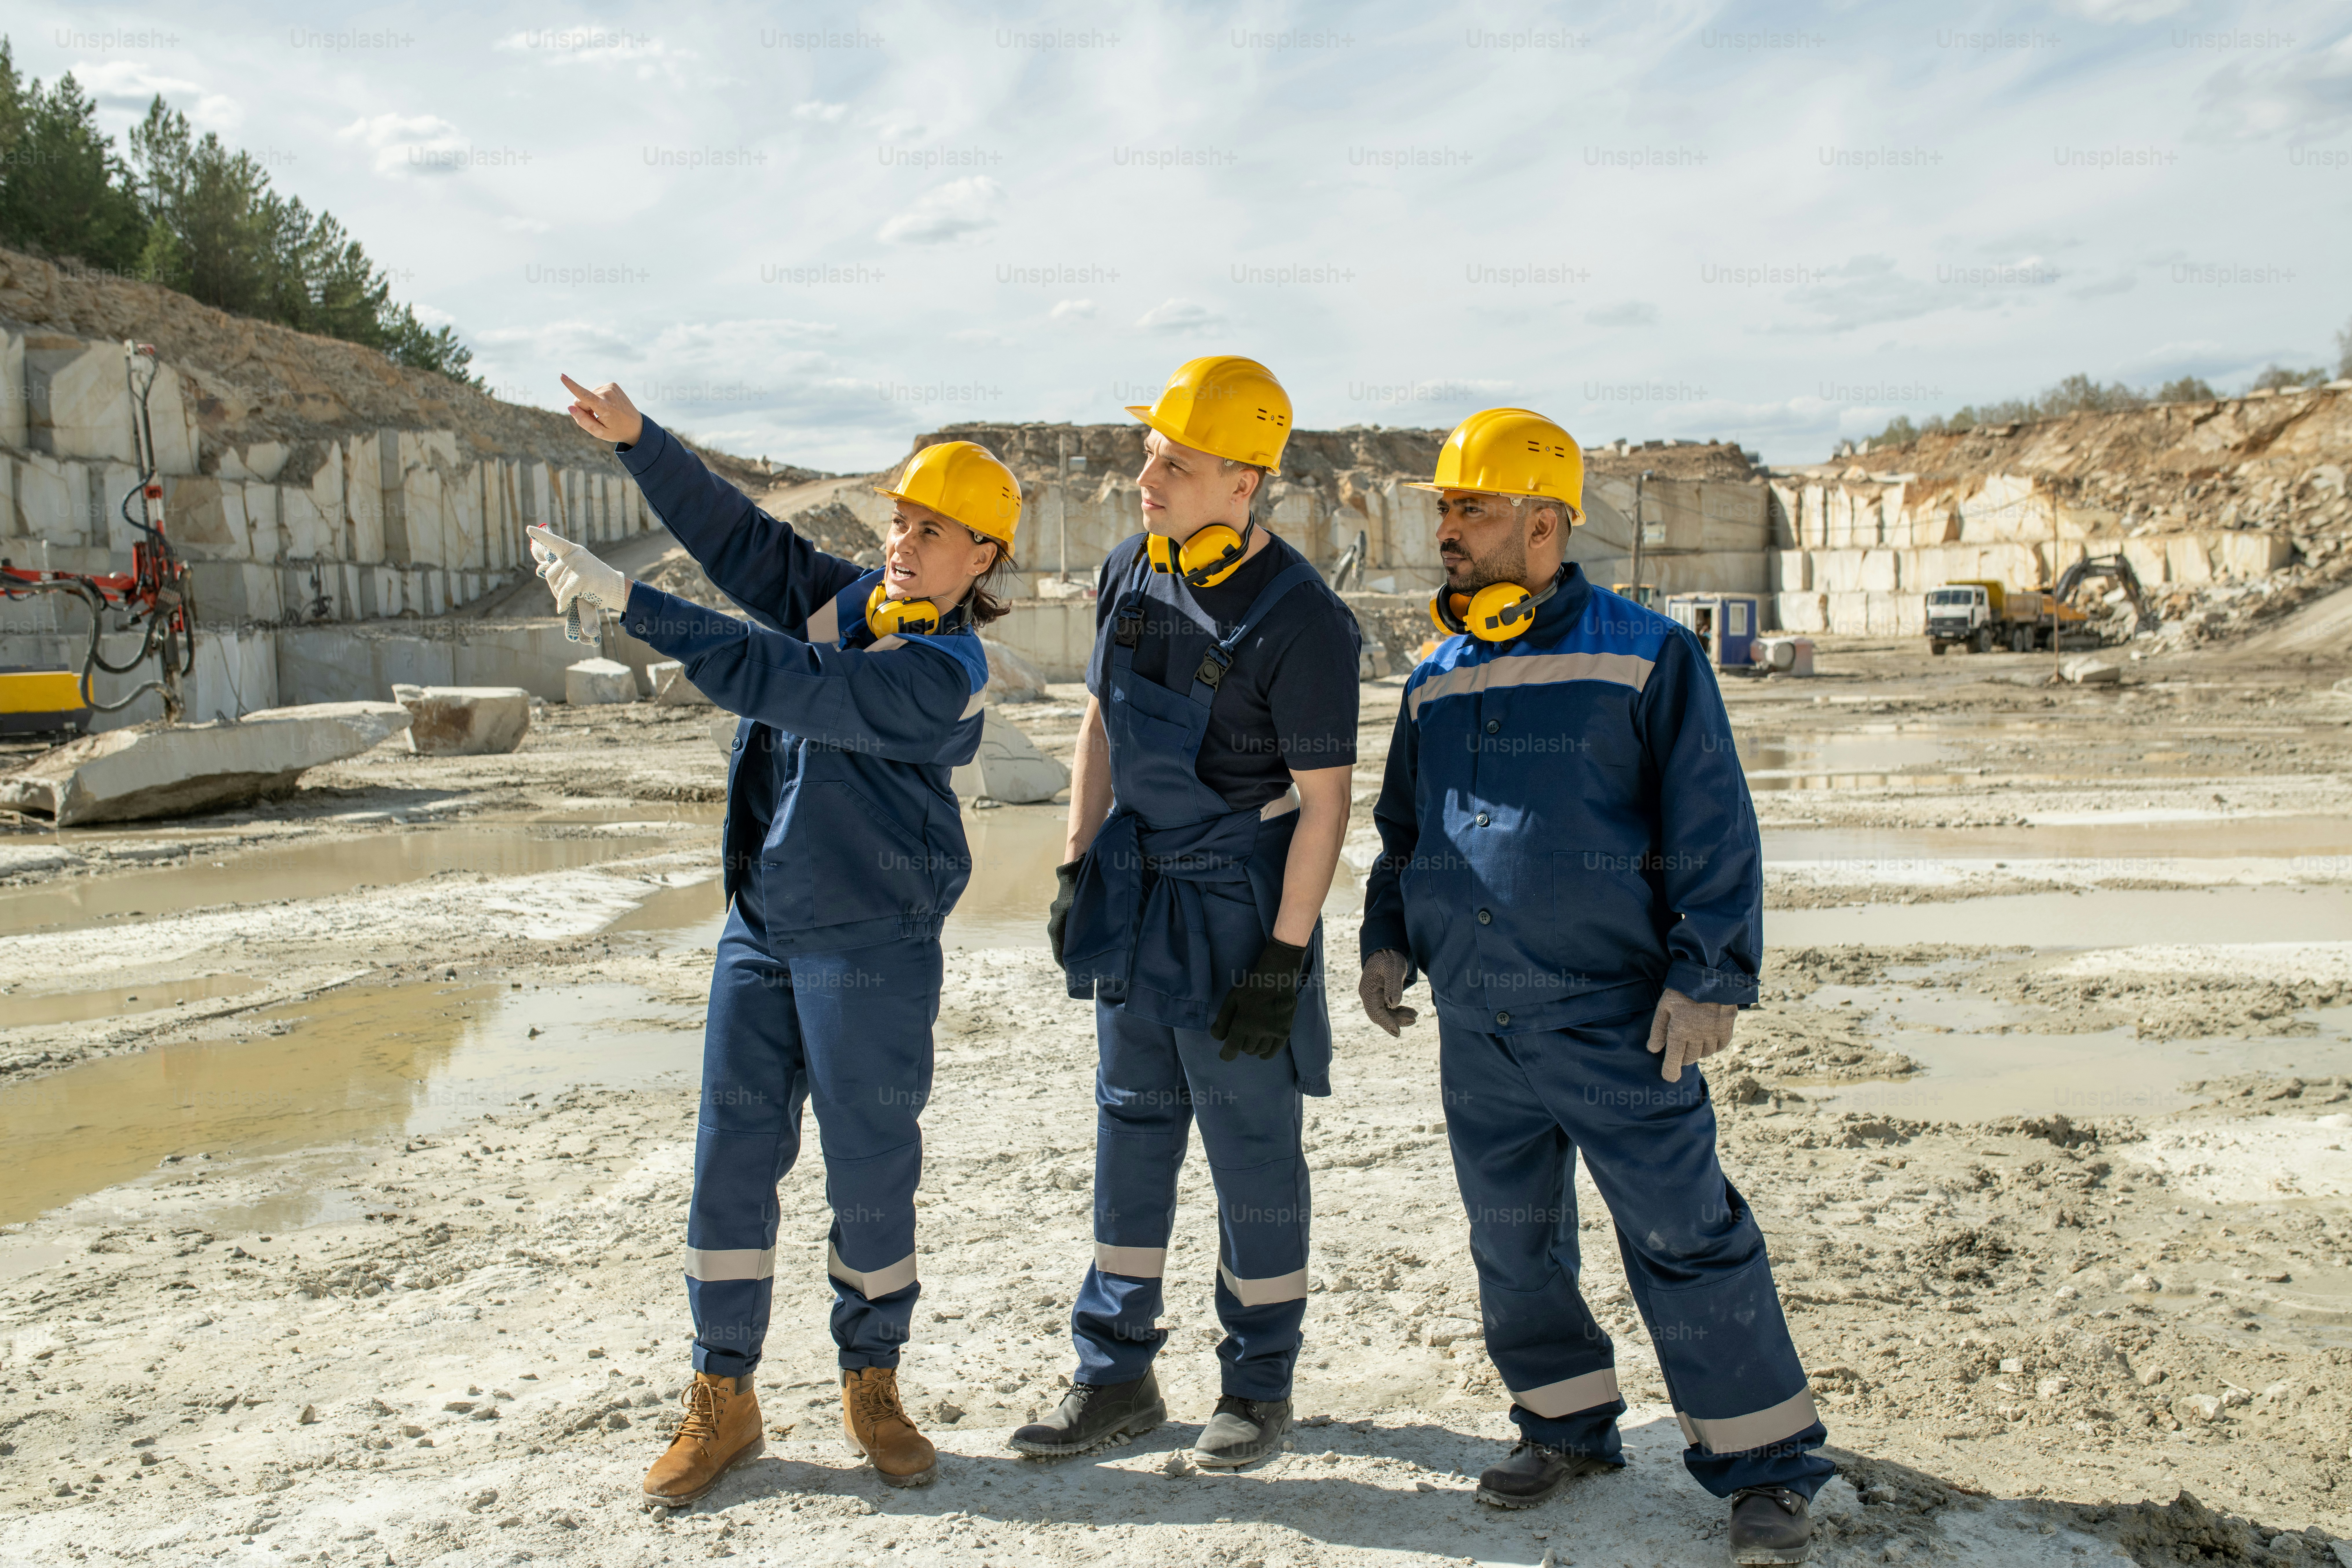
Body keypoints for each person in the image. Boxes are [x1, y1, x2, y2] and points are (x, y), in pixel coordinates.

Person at [530, 374, 1021, 1504]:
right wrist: (641, 442)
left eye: (932, 530)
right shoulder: (842, 600)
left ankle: (872, 1379)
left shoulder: (946, 675)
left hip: (872, 944)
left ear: (980, 559)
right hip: (762, 929)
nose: (903, 541)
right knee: (729, 1169)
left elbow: (783, 680)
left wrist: (634, 607)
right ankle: (725, 1393)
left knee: (870, 1173)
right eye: (899, 519)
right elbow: (738, 536)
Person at [1357, 408, 1830, 1564]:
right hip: (1479, 1016)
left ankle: (1765, 1466)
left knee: (1684, 1228)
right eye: (1444, 509)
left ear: (1545, 520)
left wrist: (1710, 973)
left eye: (1468, 507)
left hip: (1615, 1012)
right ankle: (1564, 1424)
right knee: (1514, 1237)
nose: (1448, 528)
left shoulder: (1646, 653)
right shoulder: (1436, 676)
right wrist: (1386, 940)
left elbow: (1714, 821)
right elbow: (1405, 827)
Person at [1009, 356, 1360, 1471]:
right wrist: (1075, 866)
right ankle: (1114, 1376)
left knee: (1252, 1147)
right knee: (1130, 1131)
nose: (1146, 477)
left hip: (1235, 905)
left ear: (1244, 480)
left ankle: (1257, 1388)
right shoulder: (1128, 569)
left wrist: (1282, 959)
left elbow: (1325, 803)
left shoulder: (1304, 619)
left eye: (1176, 461)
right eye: (1148, 454)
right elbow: (1101, 726)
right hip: (1137, 892)